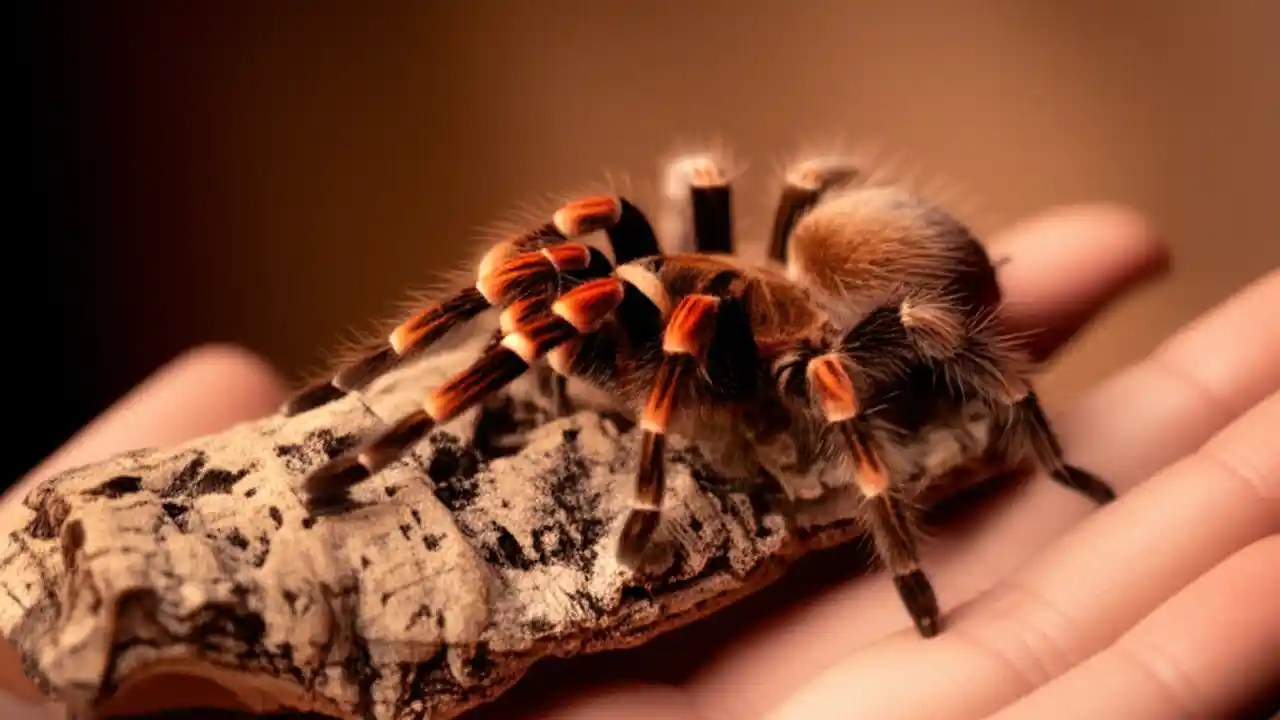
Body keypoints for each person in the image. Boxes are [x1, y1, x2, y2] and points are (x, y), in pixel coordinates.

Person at [2, 204, 1276, 719]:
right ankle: (384, 406)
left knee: (712, 317)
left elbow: (886, 347)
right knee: (590, 259)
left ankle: (421, 419)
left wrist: (651, 479)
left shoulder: (791, 340)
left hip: (842, 307)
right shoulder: (632, 273)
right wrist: (358, 395)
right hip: (740, 291)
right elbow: (567, 277)